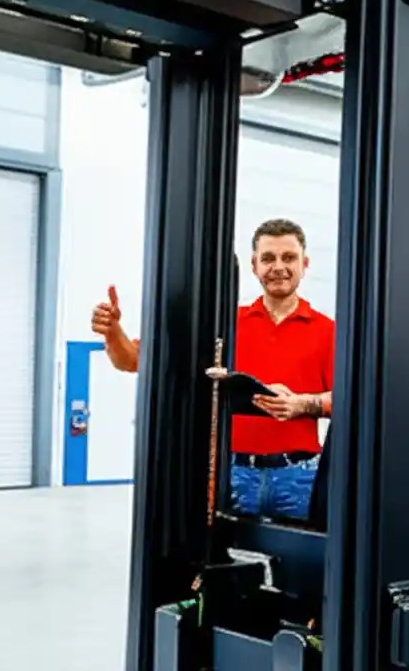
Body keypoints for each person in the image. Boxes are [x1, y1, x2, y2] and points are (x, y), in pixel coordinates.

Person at [90, 219, 335, 521]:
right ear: (254, 265)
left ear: (305, 263)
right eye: (268, 258)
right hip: (233, 473)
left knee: (304, 563)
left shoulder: (328, 331)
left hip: (299, 477)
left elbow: (350, 401)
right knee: (226, 560)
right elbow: (131, 360)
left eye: (289, 257)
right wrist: (113, 332)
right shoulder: (226, 323)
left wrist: (304, 403)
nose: (278, 267)